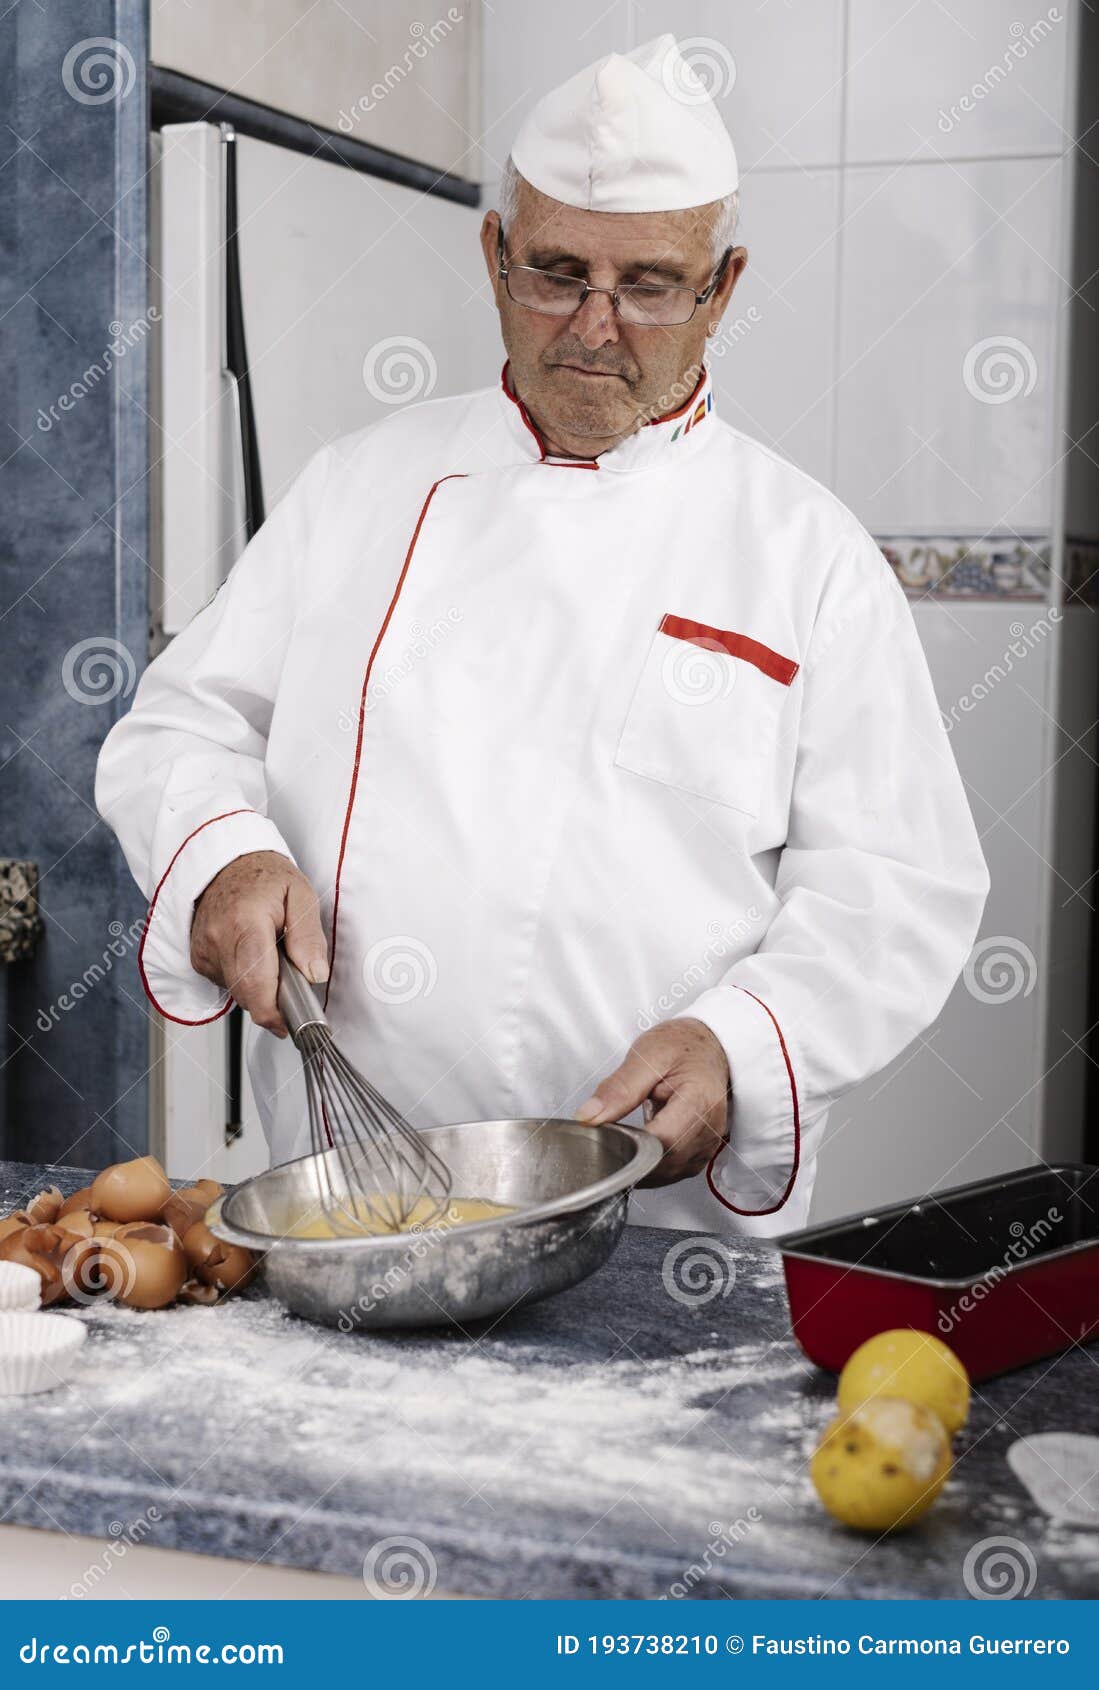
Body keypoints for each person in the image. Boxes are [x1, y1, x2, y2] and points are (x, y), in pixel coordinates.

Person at [96, 35, 989, 1235]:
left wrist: (740, 1045)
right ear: (493, 258)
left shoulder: (807, 554)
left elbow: (896, 884)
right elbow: (183, 725)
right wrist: (221, 856)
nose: (595, 326)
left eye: (651, 285)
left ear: (720, 288)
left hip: (653, 1227)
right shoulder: (356, 490)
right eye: (557, 273)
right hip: (350, 1206)